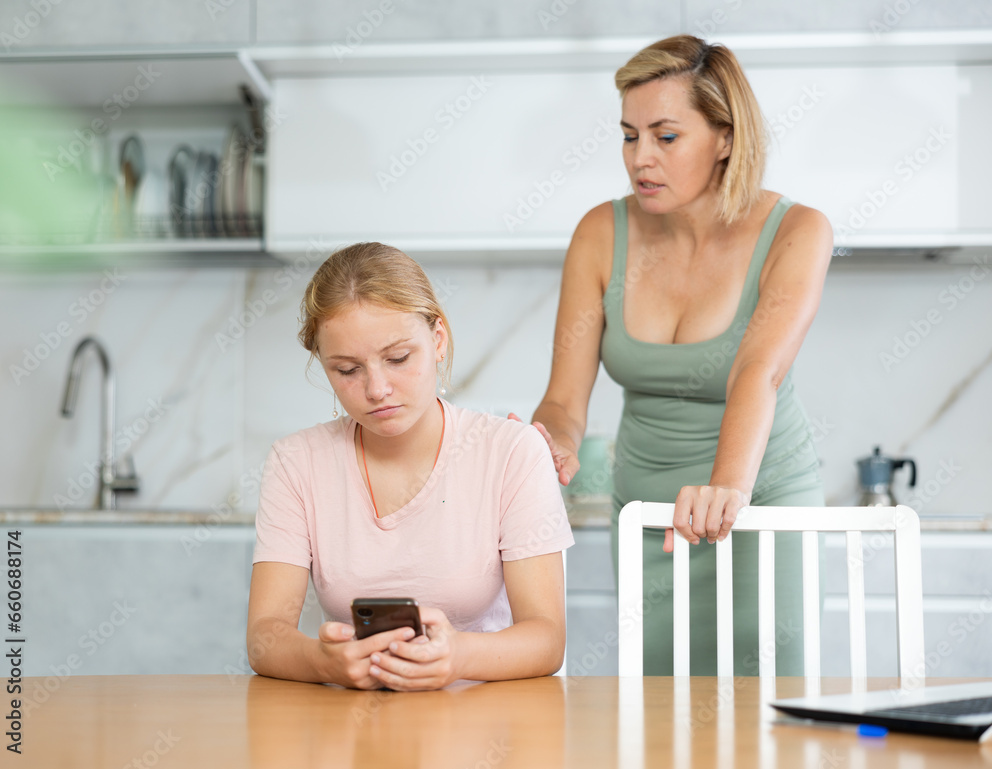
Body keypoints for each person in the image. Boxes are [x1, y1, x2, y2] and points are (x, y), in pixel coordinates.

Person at [526, 35, 832, 675]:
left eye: (666, 137)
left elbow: (758, 370)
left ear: (724, 136)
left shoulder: (798, 231)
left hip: (760, 502)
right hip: (645, 517)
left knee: (766, 706)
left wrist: (728, 487)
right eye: (629, 135)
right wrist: (546, 442)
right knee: (661, 711)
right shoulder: (599, 233)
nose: (642, 158)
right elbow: (563, 401)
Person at [246, 242, 573, 691]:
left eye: (398, 359)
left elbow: (547, 640)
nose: (377, 389)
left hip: (488, 736)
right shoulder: (296, 463)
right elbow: (265, 638)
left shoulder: (512, 452)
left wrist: (457, 657)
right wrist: (323, 663)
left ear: (437, 340)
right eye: (347, 370)